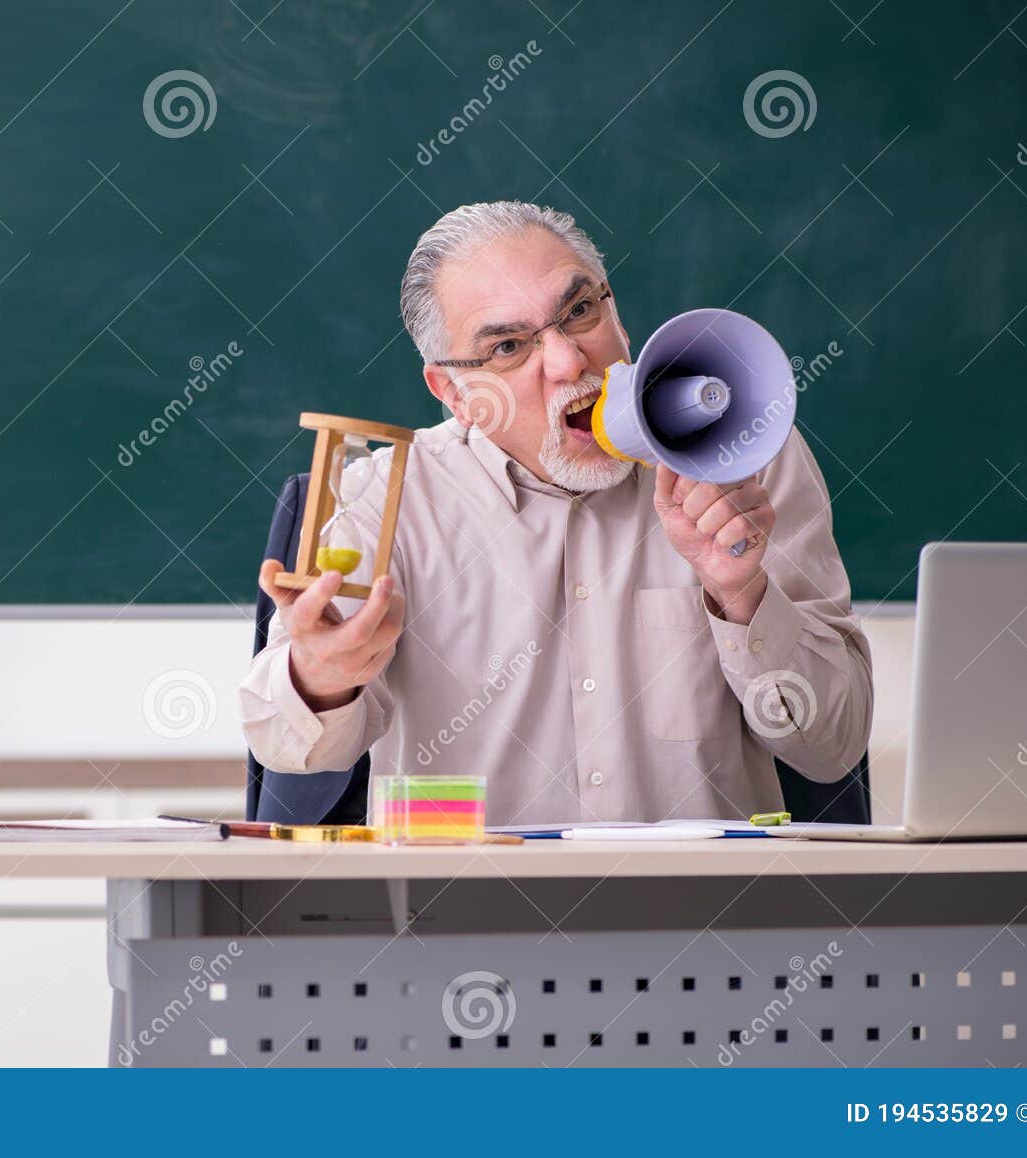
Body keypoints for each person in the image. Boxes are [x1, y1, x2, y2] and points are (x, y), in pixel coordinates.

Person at [240, 201, 872, 825]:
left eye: (579, 311)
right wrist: (321, 676)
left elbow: (831, 750)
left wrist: (743, 596)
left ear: (615, 312)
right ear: (455, 393)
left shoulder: (740, 457)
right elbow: (290, 747)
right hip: (465, 916)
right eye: (510, 346)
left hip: (708, 917)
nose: (570, 362)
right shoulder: (381, 498)